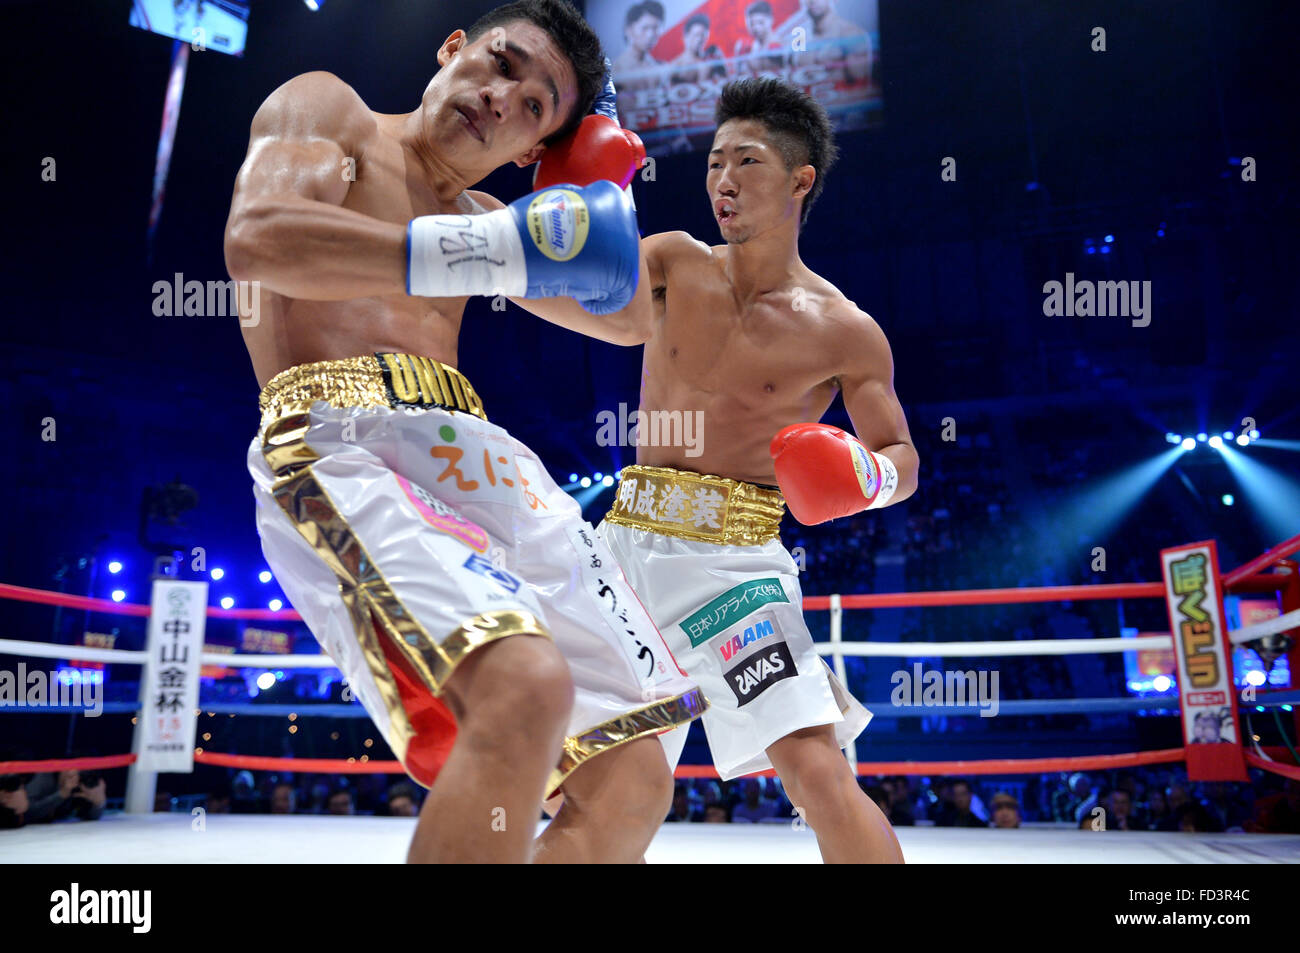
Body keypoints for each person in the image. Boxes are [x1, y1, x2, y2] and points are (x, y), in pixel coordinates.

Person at [226, 0, 703, 863]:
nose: (502, 96)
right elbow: (257, 240)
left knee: (634, 774)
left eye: (536, 108)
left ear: (531, 151)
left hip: (474, 455)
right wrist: (480, 248)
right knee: (522, 687)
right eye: (501, 62)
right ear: (455, 48)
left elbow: (629, 317)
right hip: (340, 439)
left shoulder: (492, 216)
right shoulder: (333, 110)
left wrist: (598, 183)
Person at [517, 77, 912, 862]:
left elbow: (903, 456)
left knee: (815, 770)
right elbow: (577, 294)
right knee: (593, 790)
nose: (722, 180)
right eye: (714, 163)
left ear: (801, 179)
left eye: (747, 162)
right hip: (623, 558)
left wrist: (865, 477)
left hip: (738, 575)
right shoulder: (672, 260)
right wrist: (509, 238)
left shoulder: (845, 329)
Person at [782, 0, 872, 85]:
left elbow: (861, 85)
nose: (813, 1)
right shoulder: (797, 37)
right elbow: (788, 82)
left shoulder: (851, 34)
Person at [612, 0, 666, 95]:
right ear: (629, 30)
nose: (650, 35)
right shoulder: (614, 70)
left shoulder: (660, 67)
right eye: (645, 28)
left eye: (655, 28)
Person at [732, 1, 787, 77]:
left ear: (771, 20)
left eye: (760, 22)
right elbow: (738, 78)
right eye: (751, 24)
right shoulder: (745, 48)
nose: (756, 27)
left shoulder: (782, 45)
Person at [670, 14, 726, 86]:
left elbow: (725, 82)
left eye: (703, 35)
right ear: (686, 36)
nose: (700, 39)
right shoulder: (676, 66)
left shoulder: (712, 56)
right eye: (696, 35)